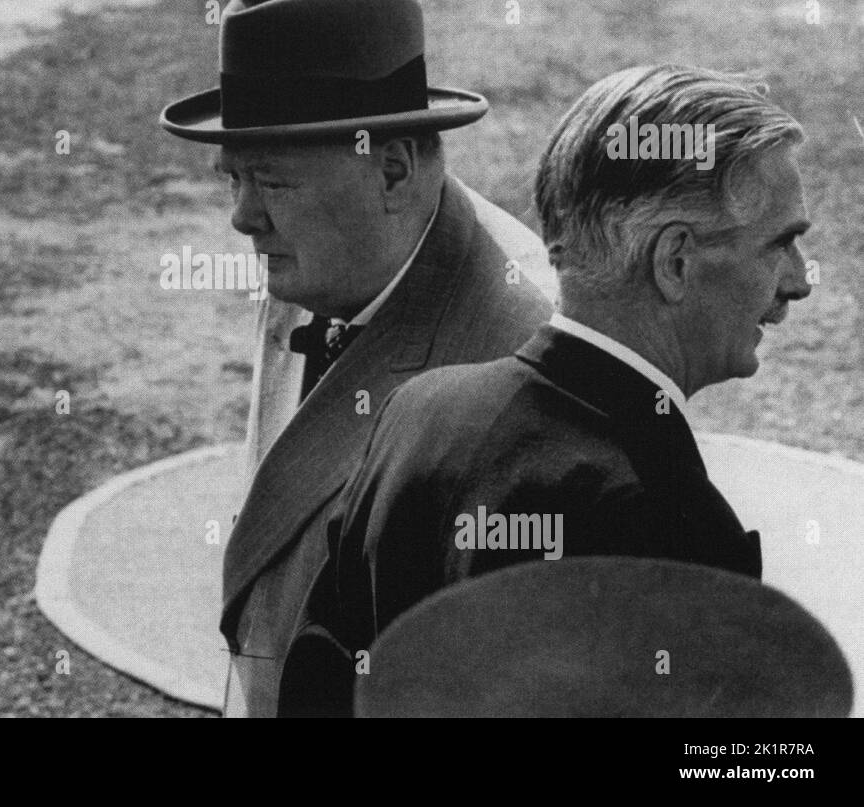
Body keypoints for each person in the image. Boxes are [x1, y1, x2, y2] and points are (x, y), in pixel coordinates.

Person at [279, 64, 813, 716]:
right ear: (675, 261)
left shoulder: (419, 411)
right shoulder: (671, 521)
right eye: (781, 244)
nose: (798, 281)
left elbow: (316, 676)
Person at [159, 0, 553, 717]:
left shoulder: (512, 354)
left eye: (271, 180)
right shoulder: (315, 260)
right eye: (234, 178)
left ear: (394, 170)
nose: (243, 218)